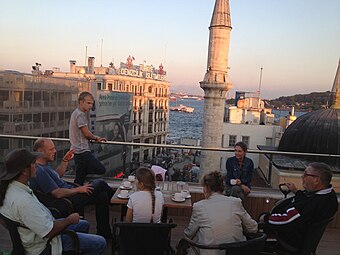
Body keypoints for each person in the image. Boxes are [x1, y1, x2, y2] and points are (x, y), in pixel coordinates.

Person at [0, 149, 106, 255]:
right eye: (33, 164)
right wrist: (69, 220)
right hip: (44, 245)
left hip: (35, 231)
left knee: (84, 224)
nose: (36, 166)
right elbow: (48, 232)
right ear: (24, 171)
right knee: (100, 242)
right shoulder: (24, 202)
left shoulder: (11, 189)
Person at [30, 138, 114, 239]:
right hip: (67, 200)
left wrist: (65, 160)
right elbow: (57, 193)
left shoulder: (45, 166)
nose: (55, 151)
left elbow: (57, 176)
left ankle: (104, 232)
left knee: (102, 196)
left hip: (71, 194)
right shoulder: (39, 170)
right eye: (51, 149)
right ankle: (114, 200)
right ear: (40, 152)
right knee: (100, 183)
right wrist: (78, 190)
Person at [260, 162, 338, 250]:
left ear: (316, 180)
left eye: (305, 174)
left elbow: (286, 220)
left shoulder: (312, 204)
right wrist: (296, 192)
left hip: (290, 239)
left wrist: (265, 218)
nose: (302, 177)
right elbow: (306, 205)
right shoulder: (329, 196)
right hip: (303, 239)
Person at [183, 171, 258, 255]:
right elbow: (253, 228)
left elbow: (189, 234)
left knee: (197, 234)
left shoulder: (199, 206)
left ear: (207, 188)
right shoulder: (235, 202)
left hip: (210, 251)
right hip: (237, 251)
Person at [70, 91, 107, 185]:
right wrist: (96, 138)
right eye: (88, 103)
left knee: (79, 179)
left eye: (92, 104)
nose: (90, 106)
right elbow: (86, 133)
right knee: (101, 169)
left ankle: (77, 195)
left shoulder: (75, 113)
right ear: (81, 102)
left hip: (76, 150)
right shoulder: (80, 115)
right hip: (82, 150)